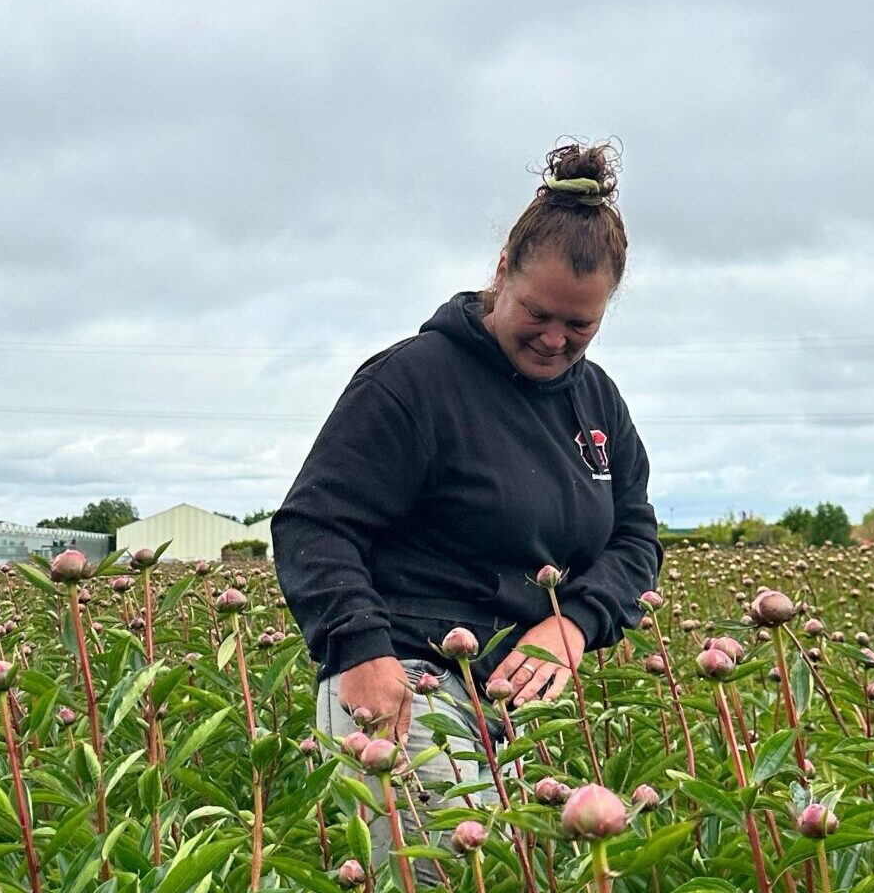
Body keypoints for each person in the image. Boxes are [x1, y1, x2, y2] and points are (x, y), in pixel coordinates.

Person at [272, 140, 663, 814]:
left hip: (525, 705)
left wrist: (573, 623)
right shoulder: (412, 382)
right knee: (448, 878)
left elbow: (635, 538)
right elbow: (314, 525)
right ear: (502, 270)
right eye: (537, 313)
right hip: (405, 680)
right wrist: (357, 649)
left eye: (580, 324)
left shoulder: (598, 401)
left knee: (527, 878)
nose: (554, 339)